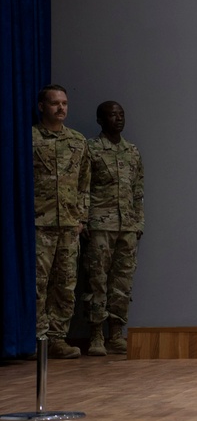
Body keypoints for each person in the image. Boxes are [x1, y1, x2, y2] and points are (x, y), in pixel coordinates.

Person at [33, 84, 91, 359]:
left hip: (69, 224)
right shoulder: (30, 138)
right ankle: (37, 338)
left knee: (66, 285)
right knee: (38, 284)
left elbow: (84, 183)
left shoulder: (78, 142)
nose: (61, 108)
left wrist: (81, 218)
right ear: (42, 106)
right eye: (55, 103)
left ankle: (57, 339)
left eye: (65, 103)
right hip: (39, 222)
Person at [84, 101, 145, 356]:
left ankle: (116, 333)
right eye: (112, 115)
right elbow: (83, 186)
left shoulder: (132, 151)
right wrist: (84, 219)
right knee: (97, 281)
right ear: (100, 120)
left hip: (127, 226)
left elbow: (138, 190)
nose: (118, 119)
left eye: (121, 114)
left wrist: (139, 222)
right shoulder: (92, 149)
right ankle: (96, 335)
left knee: (122, 282)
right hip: (100, 224)